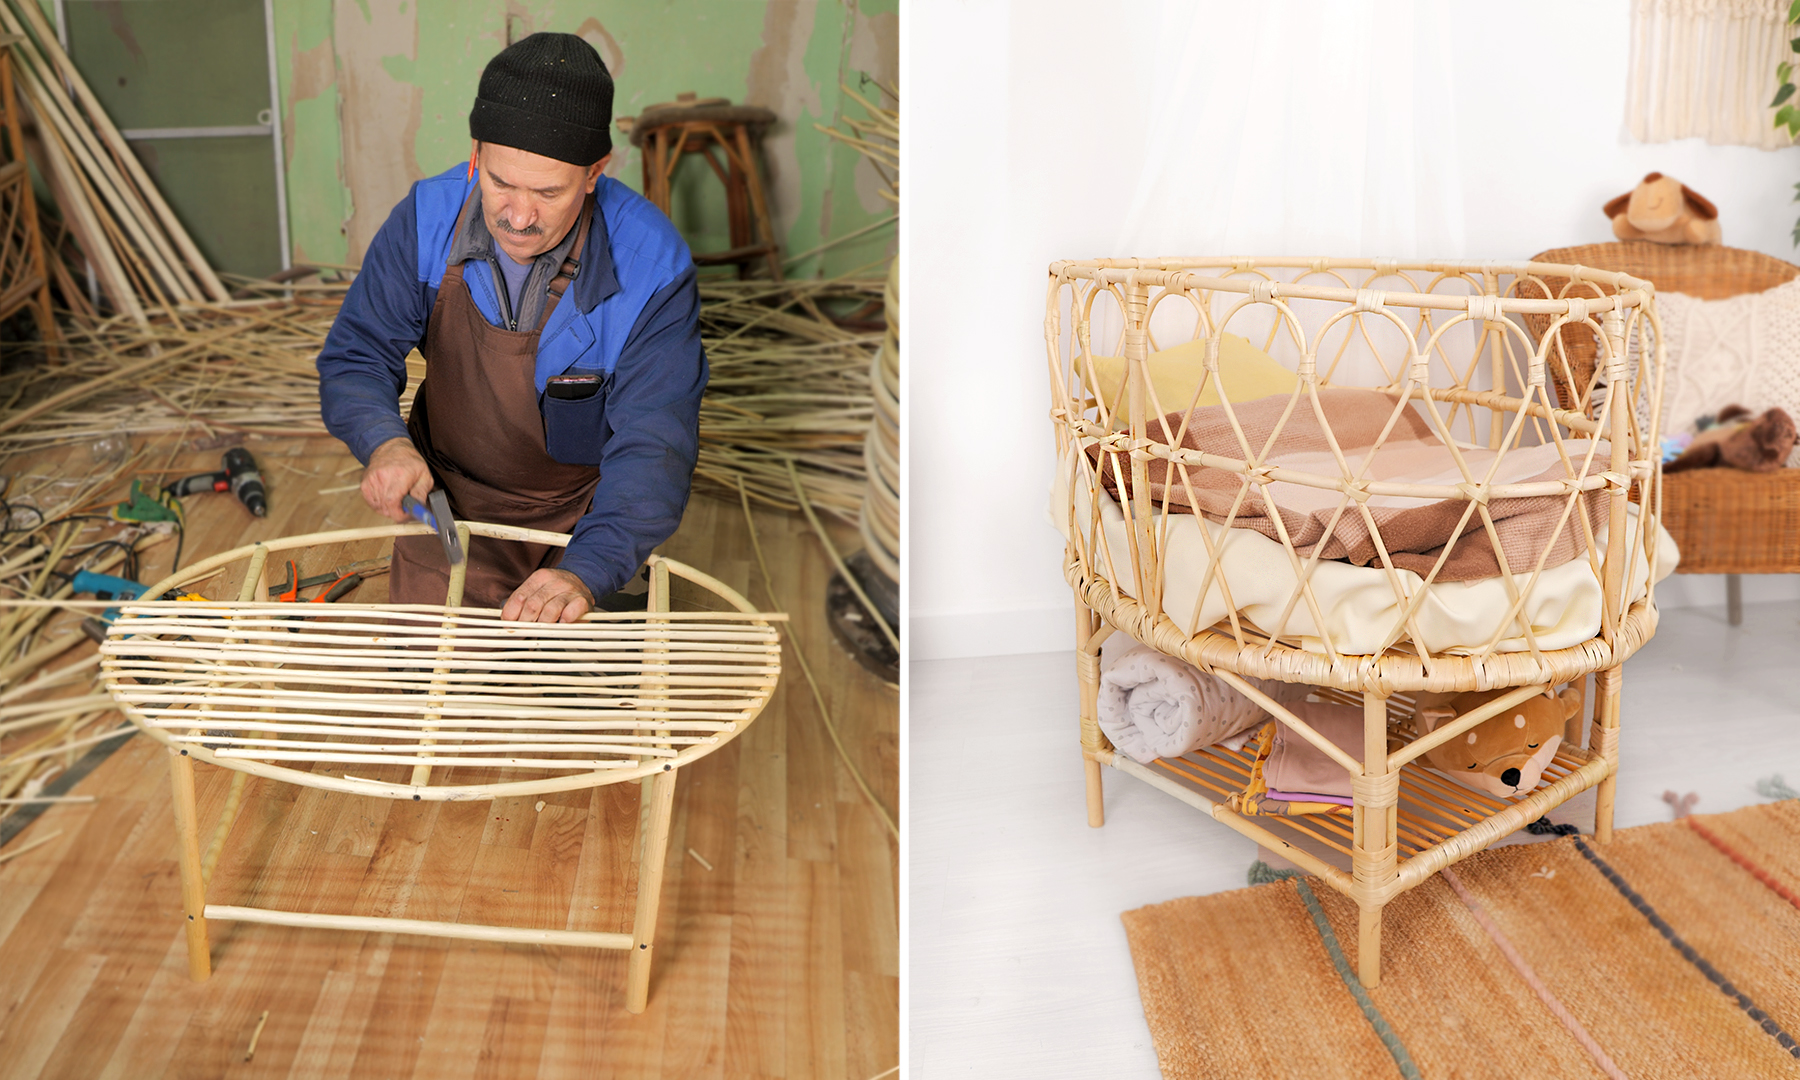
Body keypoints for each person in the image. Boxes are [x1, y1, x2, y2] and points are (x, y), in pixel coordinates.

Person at [316, 33, 706, 623]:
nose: (519, 218)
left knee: (561, 695)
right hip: (445, 504)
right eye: (500, 183)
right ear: (476, 154)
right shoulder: (426, 219)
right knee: (431, 681)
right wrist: (385, 441)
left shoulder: (653, 266)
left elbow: (655, 445)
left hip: (583, 515)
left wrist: (589, 568)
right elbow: (357, 354)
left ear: (595, 172)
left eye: (549, 193)